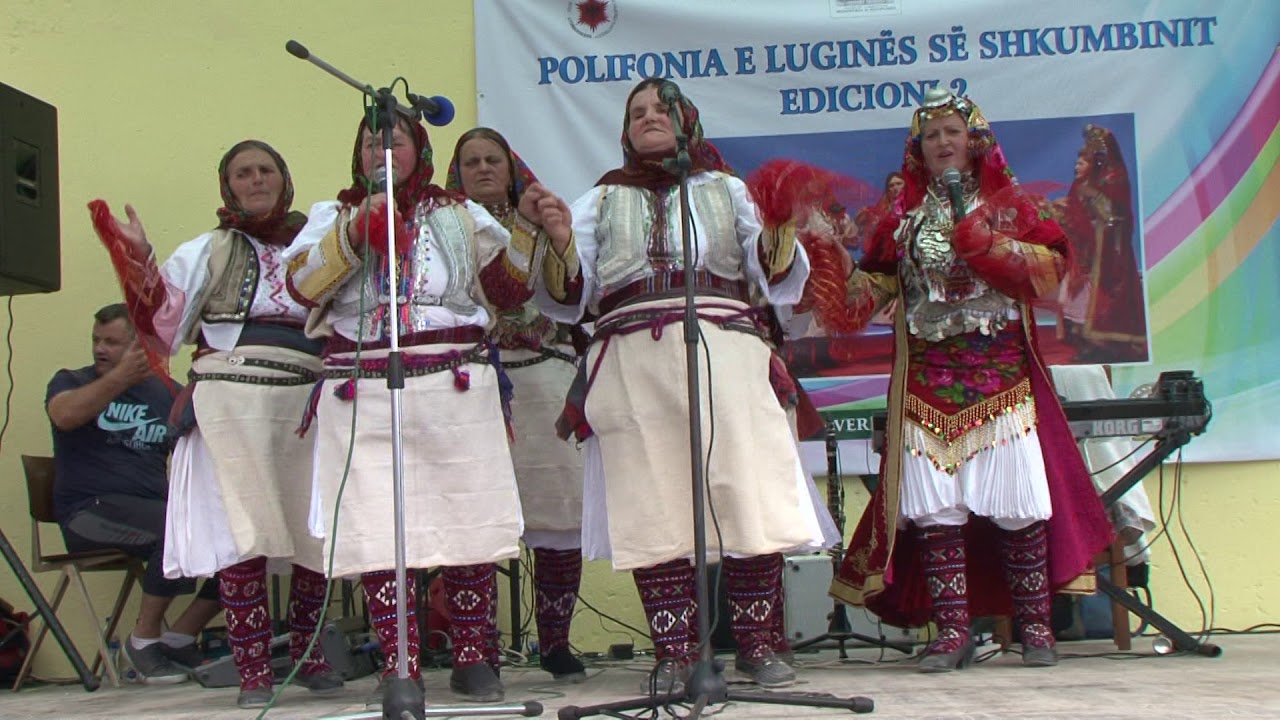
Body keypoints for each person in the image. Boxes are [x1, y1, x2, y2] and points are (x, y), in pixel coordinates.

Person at [521, 78, 834, 691]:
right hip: (631, 354)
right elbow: (569, 296)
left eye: (661, 110)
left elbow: (772, 276)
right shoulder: (601, 200)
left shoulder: (726, 190)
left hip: (725, 348)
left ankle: (760, 644)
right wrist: (559, 240)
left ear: (687, 121)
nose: (648, 118)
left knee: (745, 493)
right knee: (652, 500)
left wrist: (775, 224)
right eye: (637, 113)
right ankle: (676, 651)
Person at [819, 88, 1114, 671]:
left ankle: (1035, 628)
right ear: (919, 149)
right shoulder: (900, 220)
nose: (943, 143)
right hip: (928, 378)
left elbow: (1052, 270)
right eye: (931, 136)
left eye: (953, 131)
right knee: (934, 509)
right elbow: (865, 297)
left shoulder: (1011, 207)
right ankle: (951, 631)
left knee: (1016, 501)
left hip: (1000, 374)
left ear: (974, 139)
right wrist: (825, 264)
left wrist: (989, 243)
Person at [284, 111, 532, 707]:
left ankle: (476, 657)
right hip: (362, 384)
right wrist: (353, 235)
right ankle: (401, 663)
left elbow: (508, 293)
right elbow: (300, 289)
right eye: (371, 142)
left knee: (466, 516)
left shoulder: (459, 212)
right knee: (377, 525)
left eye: (394, 140)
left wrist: (527, 228)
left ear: (420, 149)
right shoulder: (332, 216)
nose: (382, 150)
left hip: (455, 380)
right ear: (358, 156)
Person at [88, 140, 344, 708]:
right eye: (243, 174)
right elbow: (161, 326)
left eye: (266, 170)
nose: (256, 181)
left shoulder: (318, 246)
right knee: (241, 531)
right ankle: (252, 667)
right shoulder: (208, 248)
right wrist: (140, 261)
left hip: (308, 395)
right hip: (232, 397)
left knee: (315, 530)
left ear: (284, 178)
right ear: (228, 187)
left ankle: (308, 652)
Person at [445, 127, 587, 683]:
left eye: (493, 160)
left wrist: (551, 235)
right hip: (474, 382)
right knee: (474, 517)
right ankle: (477, 649)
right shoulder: (444, 228)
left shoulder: (543, 214)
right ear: (455, 173)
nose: (482, 169)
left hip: (545, 375)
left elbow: (568, 289)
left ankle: (555, 642)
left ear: (511, 167)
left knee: (560, 516)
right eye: (471, 161)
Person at [47, 304, 220, 685]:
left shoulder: (167, 394)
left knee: (237, 539)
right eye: (97, 340)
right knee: (172, 531)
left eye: (112, 342)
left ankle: (179, 637)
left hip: (153, 510)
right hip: (87, 512)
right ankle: (143, 643)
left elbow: (203, 447)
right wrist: (118, 380)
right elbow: (64, 416)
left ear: (141, 347)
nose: (100, 349)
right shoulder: (71, 381)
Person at [1056, 124, 1147, 361]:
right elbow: (1077, 212)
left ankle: (1104, 345)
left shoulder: (1113, 177)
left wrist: (1093, 197)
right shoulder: (1085, 181)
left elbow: (1116, 214)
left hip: (1109, 248)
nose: (1093, 152)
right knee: (1079, 297)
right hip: (1087, 250)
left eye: (1097, 148)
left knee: (1105, 296)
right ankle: (1086, 342)